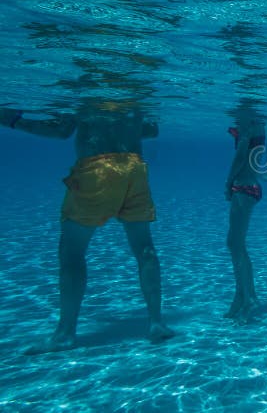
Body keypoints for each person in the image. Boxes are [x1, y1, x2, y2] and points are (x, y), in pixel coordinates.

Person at [0, 103, 174, 354]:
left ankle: (64, 334)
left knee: (72, 252)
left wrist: (13, 121)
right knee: (144, 248)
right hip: (135, 168)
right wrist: (122, 128)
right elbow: (152, 129)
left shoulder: (85, 86)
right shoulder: (136, 91)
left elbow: (61, 131)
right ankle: (157, 323)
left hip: (97, 168)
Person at [224, 105, 266, 324]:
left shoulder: (247, 121)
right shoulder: (258, 125)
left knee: (234, 243)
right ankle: (245, 294)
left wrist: (227, 183)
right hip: (250, 188)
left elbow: (241, 155)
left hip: (243, 188)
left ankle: (245, 297)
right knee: (236, 244)